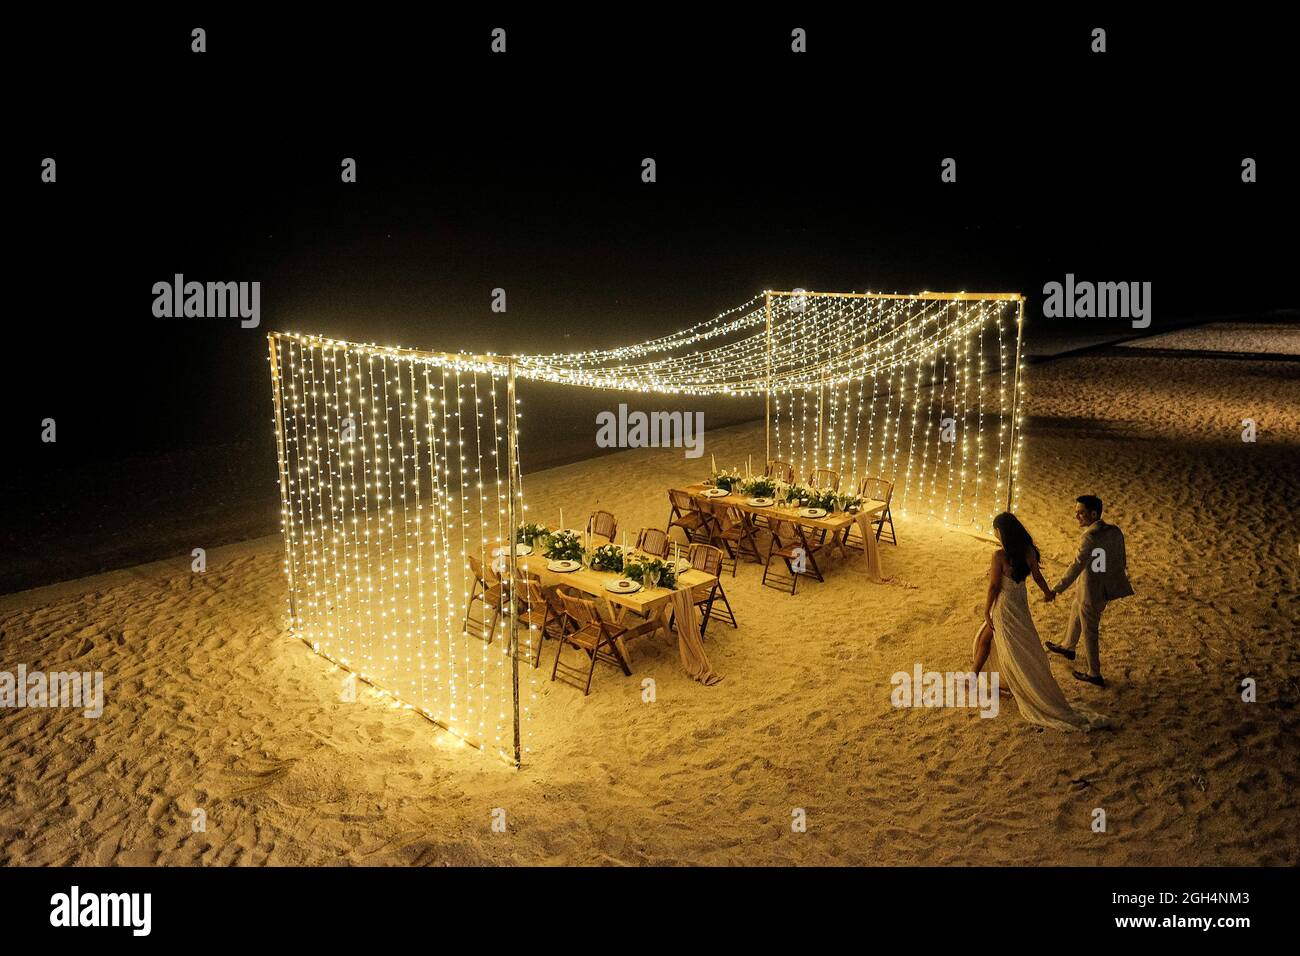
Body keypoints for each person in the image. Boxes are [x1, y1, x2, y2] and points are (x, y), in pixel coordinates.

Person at [972, 512, 1113, 731]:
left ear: (1002, 533)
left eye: (996, 530)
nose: (994, 534)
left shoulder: (999, 556)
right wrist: (1047, 592)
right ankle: (978, 676)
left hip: (1005, 605)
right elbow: (1037, 576)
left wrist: (986, 610)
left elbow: (994, 587)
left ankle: (979, 677)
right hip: (1020, 603)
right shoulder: (1028, 551)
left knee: (993, 640)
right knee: (1007, 641)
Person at [1045, 495, 1134, 688]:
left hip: (1092, 591)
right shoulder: (1115, 531)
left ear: (1093, 514)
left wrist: (1056, 589)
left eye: (1081, 513)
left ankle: (1094, 673)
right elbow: (1120, 560)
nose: (1077, 516)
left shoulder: (1089, 537)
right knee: (1076, 609)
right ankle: (1068, 646)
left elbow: (1076, 566)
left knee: (1090, 630)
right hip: (1104, 586)